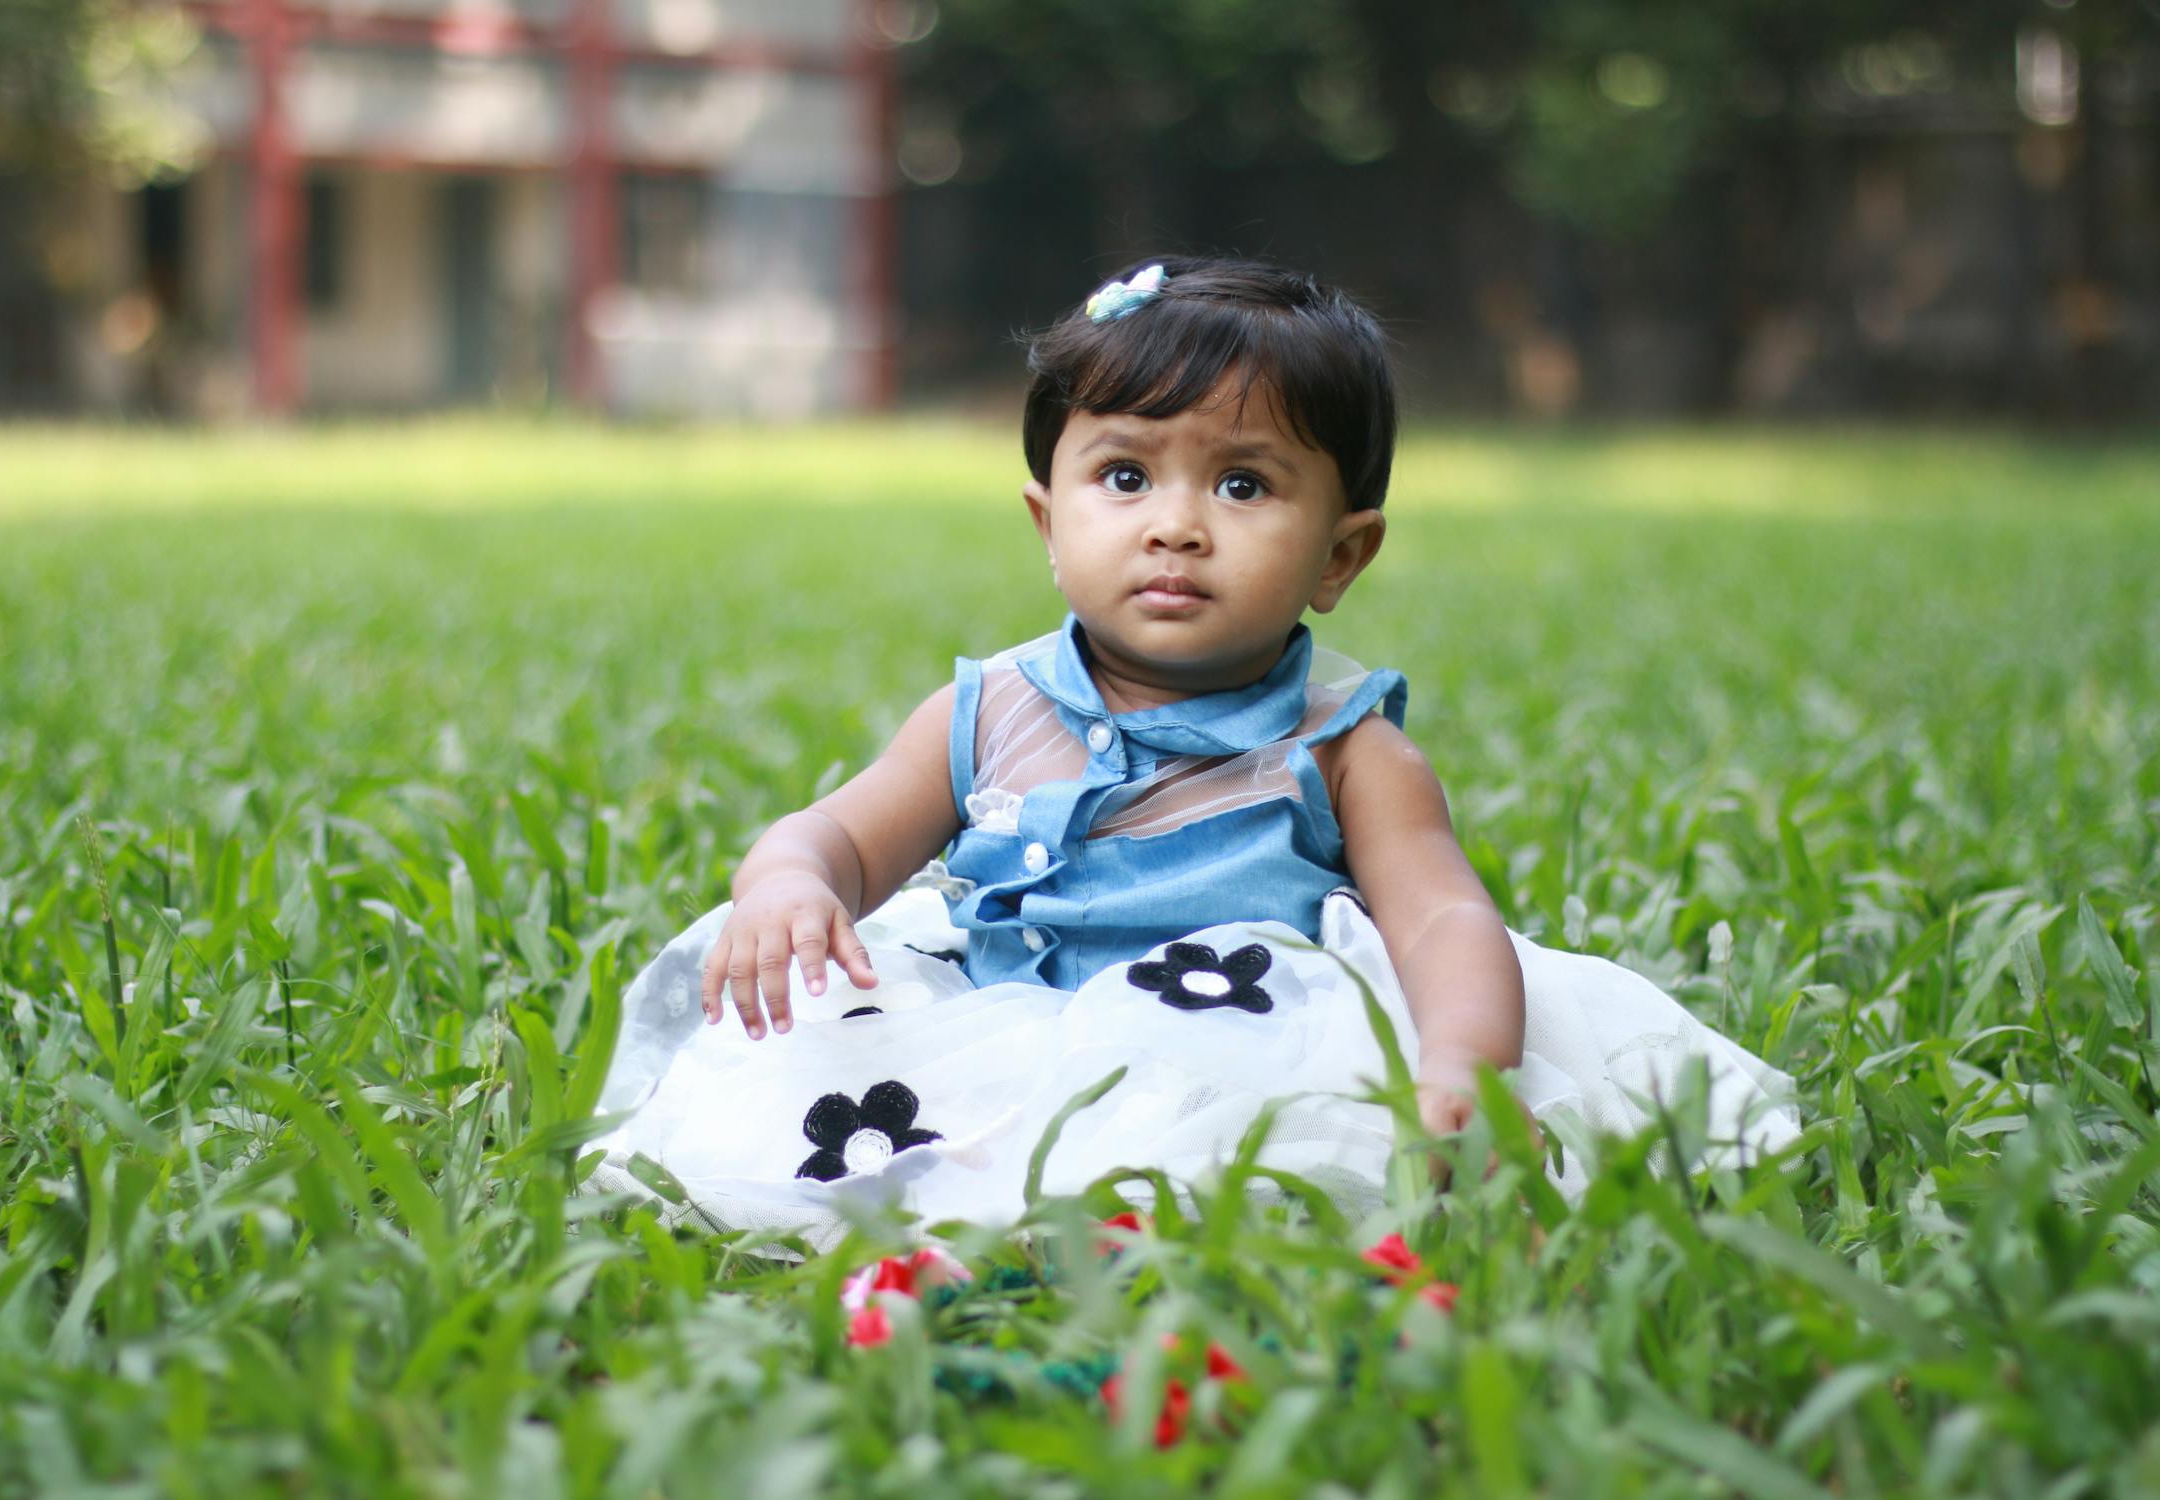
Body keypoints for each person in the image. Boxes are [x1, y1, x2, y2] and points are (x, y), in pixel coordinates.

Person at [585, 258, 1795, 1237]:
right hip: (1008, 1025)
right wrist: (791, 880)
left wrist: (1467, 1066)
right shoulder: (990, 708)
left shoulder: (1341, 743)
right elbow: (843, 833)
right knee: (852, 1099)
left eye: (1245, 487)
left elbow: (1441, 921)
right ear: (1049, 526)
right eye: (1124, 475)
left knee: (1269, 1158)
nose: (1176, 526)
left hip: (1254, 1038)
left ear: (1340, 556)